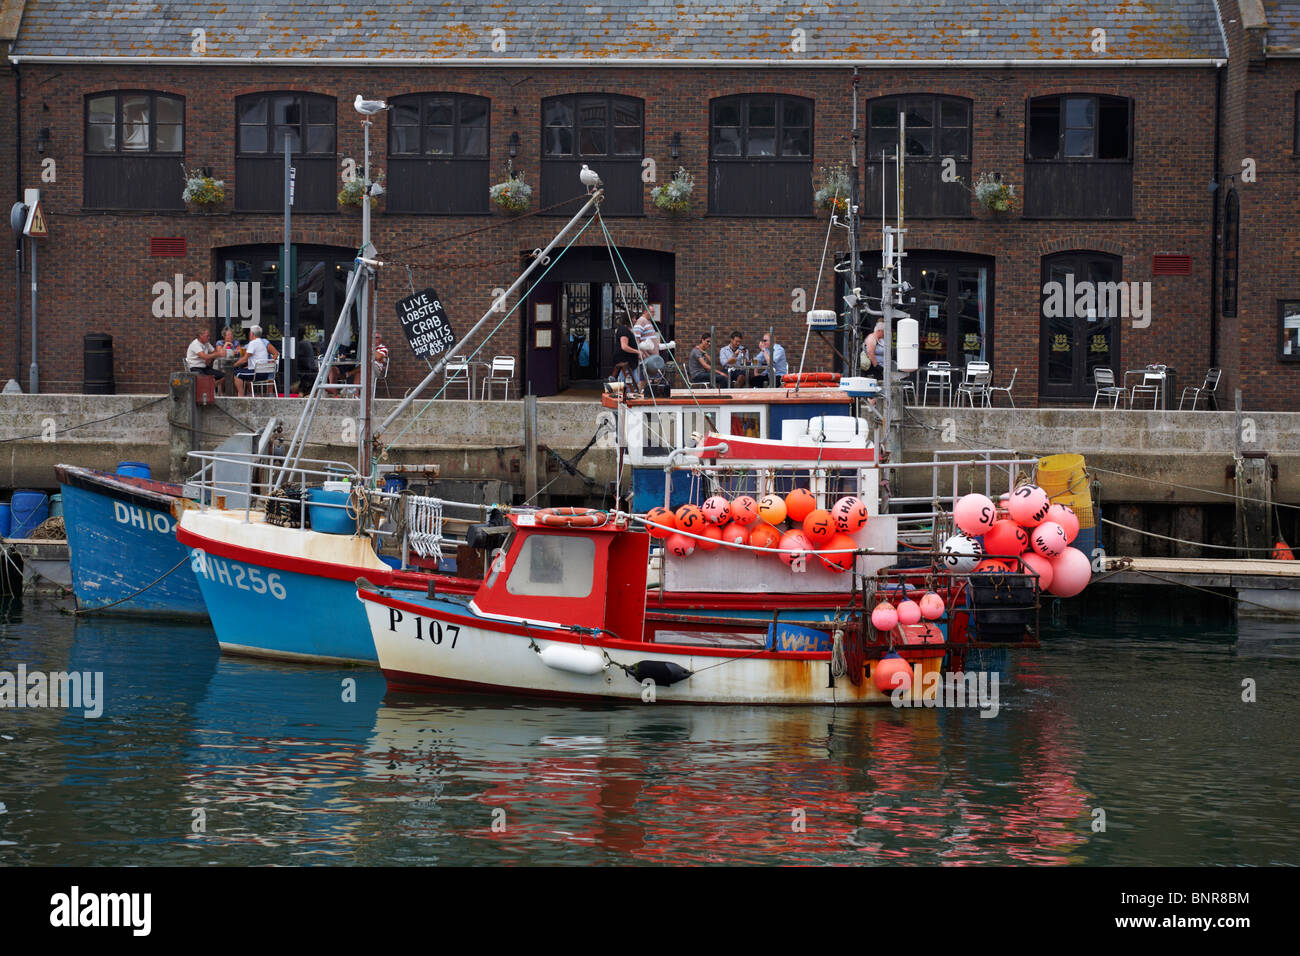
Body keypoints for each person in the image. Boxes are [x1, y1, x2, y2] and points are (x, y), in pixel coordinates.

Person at [233, 325, 279, 396]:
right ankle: (248, 394)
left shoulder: (253, 343)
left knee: (236, 374)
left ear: (252, 334)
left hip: (257, 374)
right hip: (264, 373)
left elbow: (244, 360)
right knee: (243, 370)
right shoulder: (261, 342)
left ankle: (241, 397)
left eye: (249, 333)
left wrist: (233, 366)